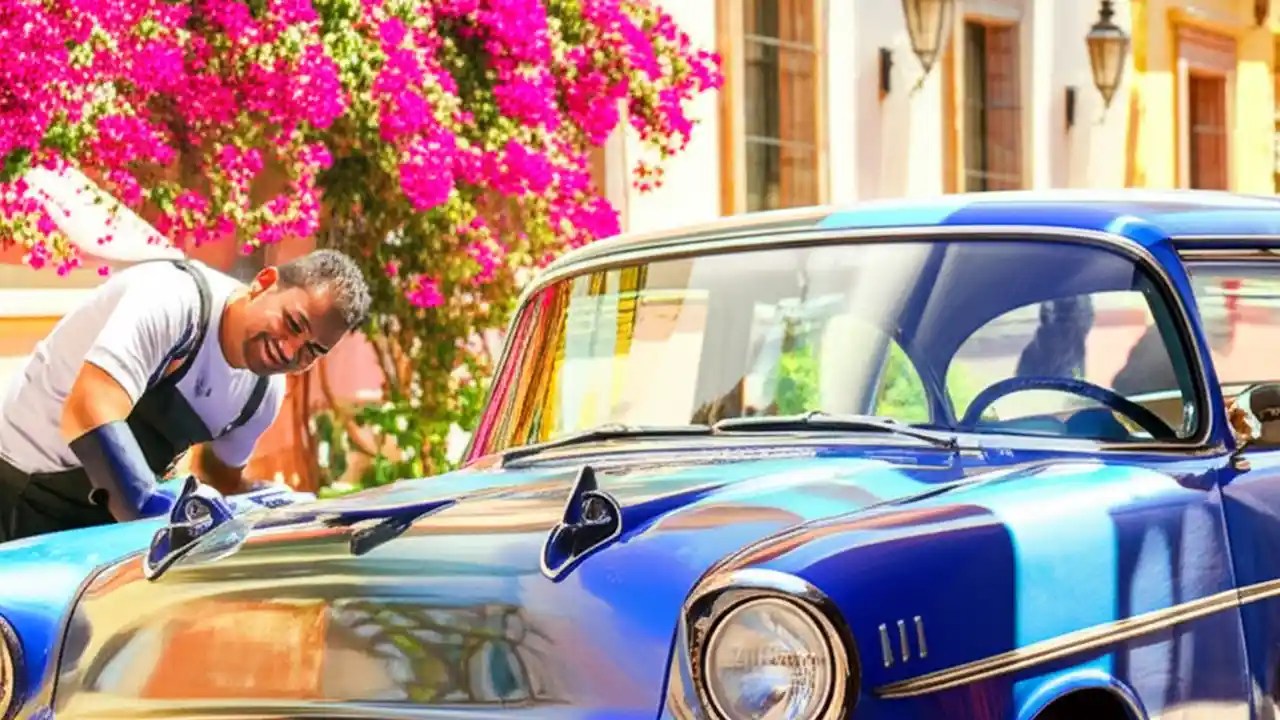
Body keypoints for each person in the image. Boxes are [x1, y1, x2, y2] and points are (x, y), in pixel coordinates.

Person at [0, 248, 371, 542]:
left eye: (311, 351)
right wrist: (155, 515)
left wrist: (264, 508)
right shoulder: (173, 300)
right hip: (18, 486)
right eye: (292, 324)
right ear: (264, 282)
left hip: (102, 524)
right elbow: (88, 410)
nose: (289, 350)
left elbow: (222, 477)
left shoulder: (261, 394)